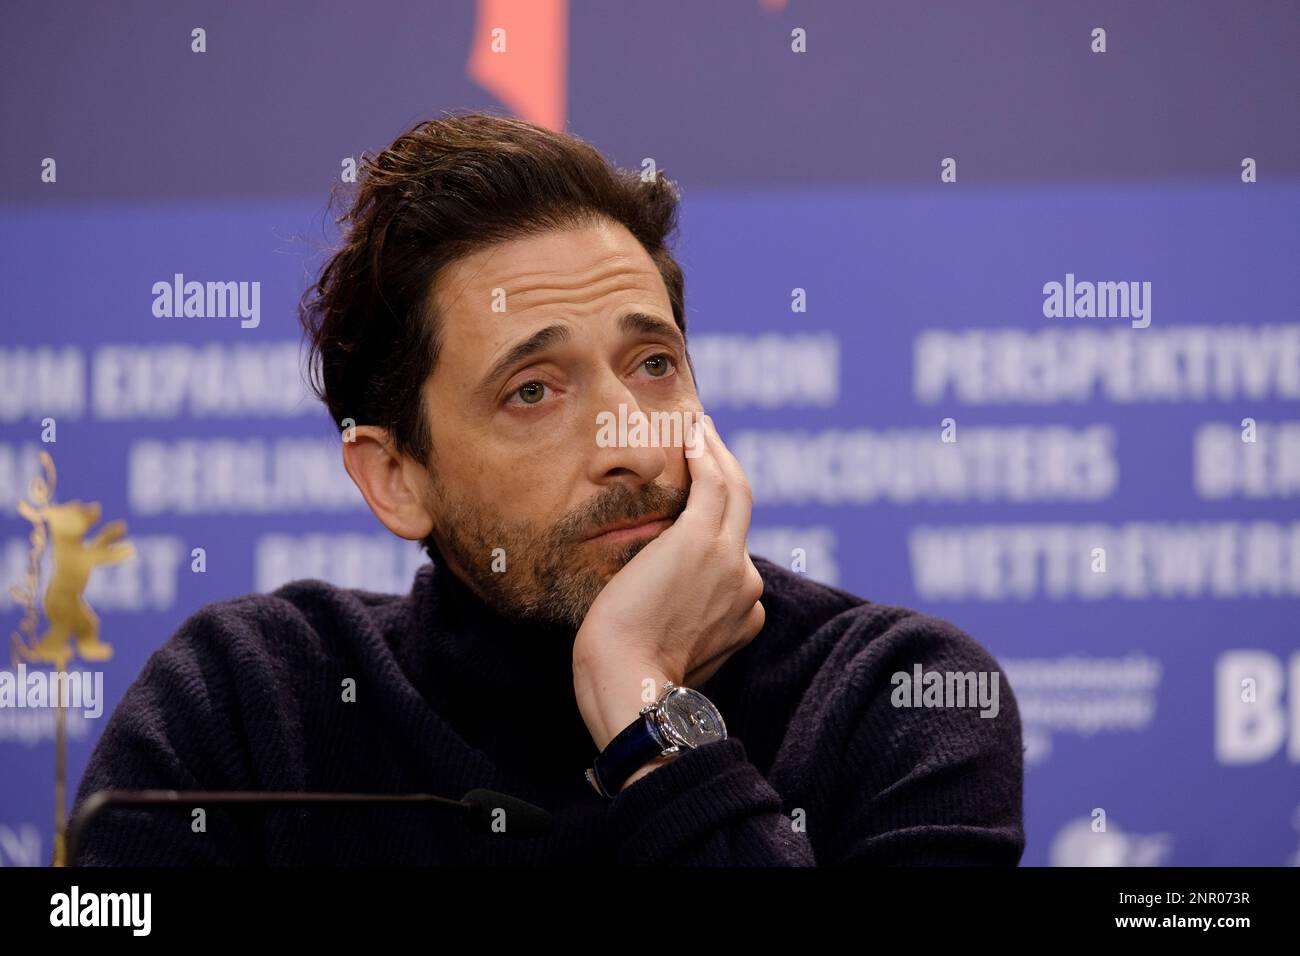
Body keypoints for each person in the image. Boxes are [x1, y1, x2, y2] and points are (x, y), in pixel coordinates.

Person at [70, 110, 1025, 865]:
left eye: (654, 365)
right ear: (396, 479)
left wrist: (647, 715)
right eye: (533, 390)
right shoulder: (244, 708)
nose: (632, 440)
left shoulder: (895, 696)